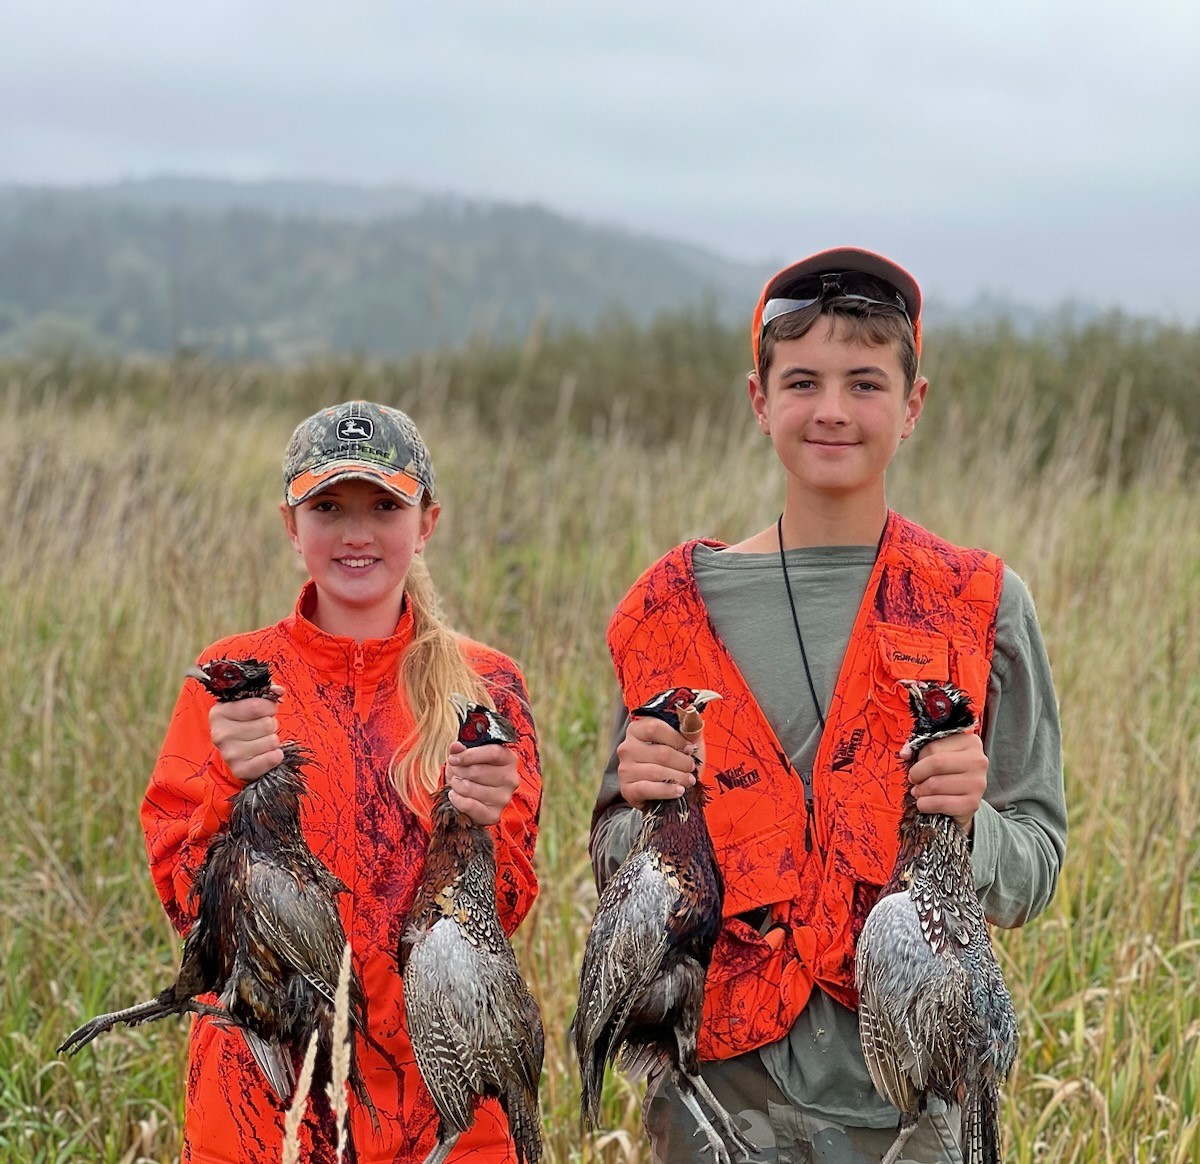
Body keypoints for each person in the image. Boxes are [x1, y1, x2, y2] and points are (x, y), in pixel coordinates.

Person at [590, 249, 1066, 1163]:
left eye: (866, 382)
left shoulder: (982, 604)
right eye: (802, 381)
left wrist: (972, 824)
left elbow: (1034, 866)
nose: (834, 410)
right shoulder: (670, 610)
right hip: (718, 1103)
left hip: (914, 1105)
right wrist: (641, 808)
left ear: (913, 404)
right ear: (759, 399)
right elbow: (615, 865)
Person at [141, 401, 542, 1163]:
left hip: (447, 1110)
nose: (356, 534)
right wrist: (230, 786)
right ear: (291, 526)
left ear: (427, 522)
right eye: (328, 506)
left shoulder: (487, 686)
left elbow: (505, 913)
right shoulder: (233, 683)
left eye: (384, 506)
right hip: (260, 1111)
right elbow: (185, 904)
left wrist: (479, 829)